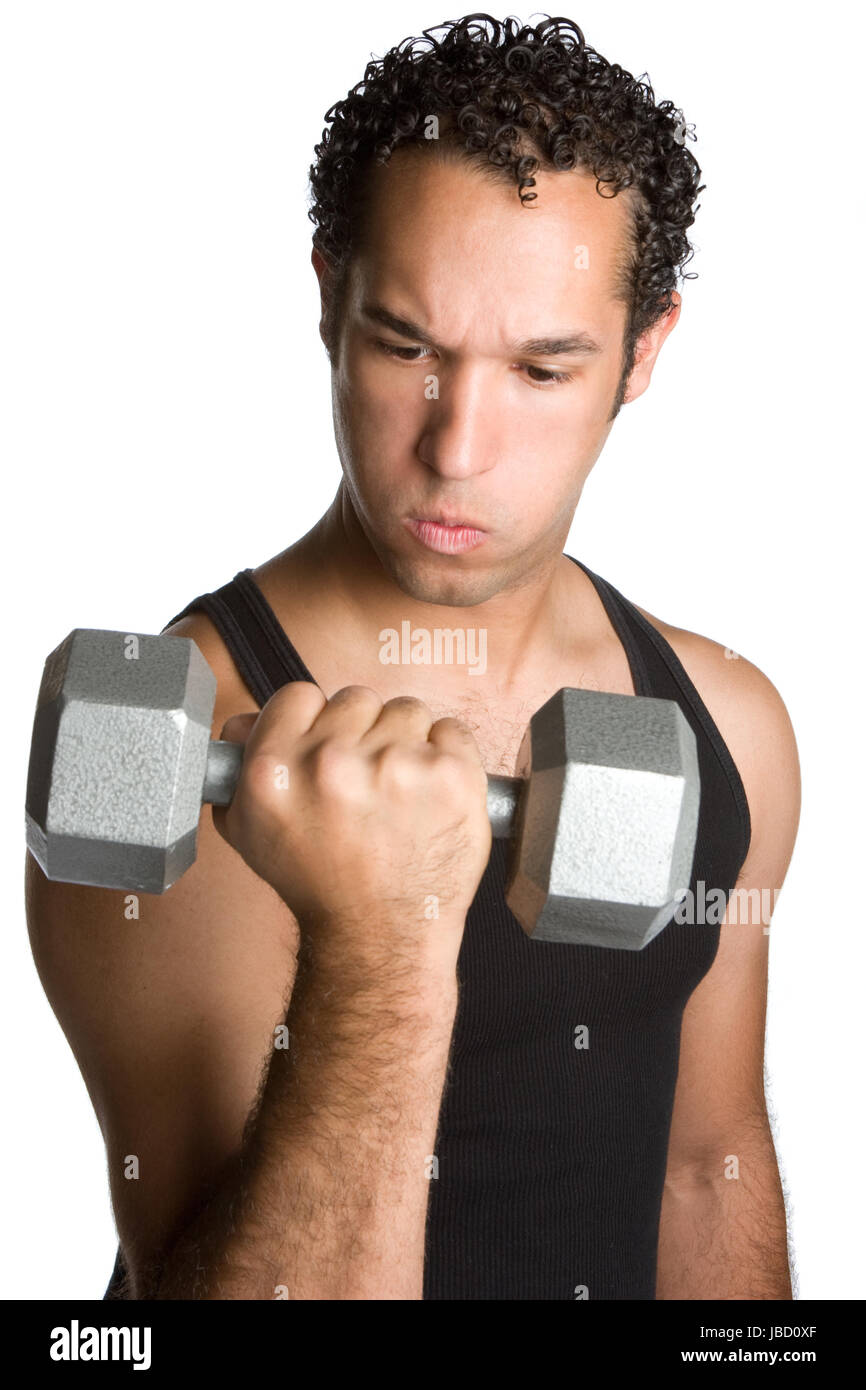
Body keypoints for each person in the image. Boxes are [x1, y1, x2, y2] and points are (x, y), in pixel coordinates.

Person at [25, 14, 800, 1300]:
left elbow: (701, 1162)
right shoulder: (181, 741)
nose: (456, 450)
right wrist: (384, 933)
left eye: (542, 370)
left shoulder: (728, 725)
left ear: (644, 352)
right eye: (406, 350)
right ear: (326, 297)